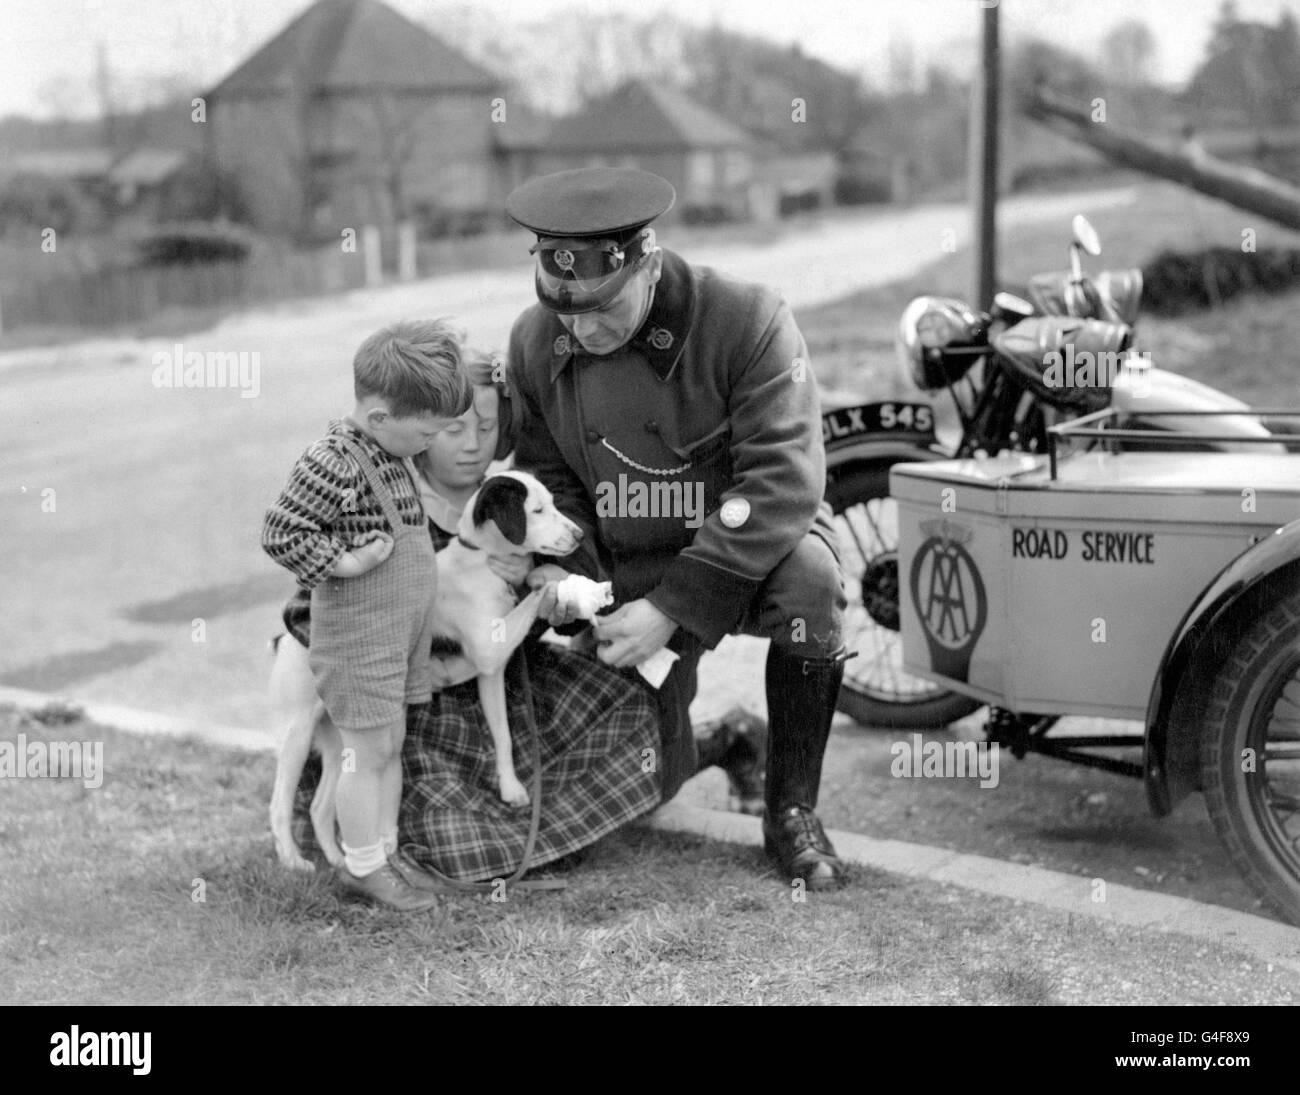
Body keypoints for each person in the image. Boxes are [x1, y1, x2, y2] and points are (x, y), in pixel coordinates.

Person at [278, 343, 759, 887]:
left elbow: (577, 573)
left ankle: (725, 738)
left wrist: (550, 586)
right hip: (413, 707)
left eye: (488, 427)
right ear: (422, 428)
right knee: (437, 829)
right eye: (453, 430)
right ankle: (416, 843)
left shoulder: (523, 497)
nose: (472, 445)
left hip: (507, 689)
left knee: (628, 730)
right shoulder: (386, 500)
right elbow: (306, 614)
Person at [505, 166, 851, 890]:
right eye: (566, 311)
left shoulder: (748, 320)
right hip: (624, 562)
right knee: (644, 793)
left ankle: (793, 807)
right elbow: (553, 477)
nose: (582, 329)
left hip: (740, 552)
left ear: (650, 264)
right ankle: (727, 737)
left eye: (603, 308)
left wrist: (671, 609)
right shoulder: (536, 341)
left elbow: (781, 481)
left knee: (813, 589)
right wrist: (577, 587)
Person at [262, 318, 473, 910]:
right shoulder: (335, 461)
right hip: (358, 639)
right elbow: (281, 531)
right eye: (425, 432)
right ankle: (362, 867)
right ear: (380, 417)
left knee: (389, 747)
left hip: (397, 636)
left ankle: (386, 853)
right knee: (364, 753)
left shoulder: (387, 450)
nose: (431, 444)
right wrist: (346, 564)